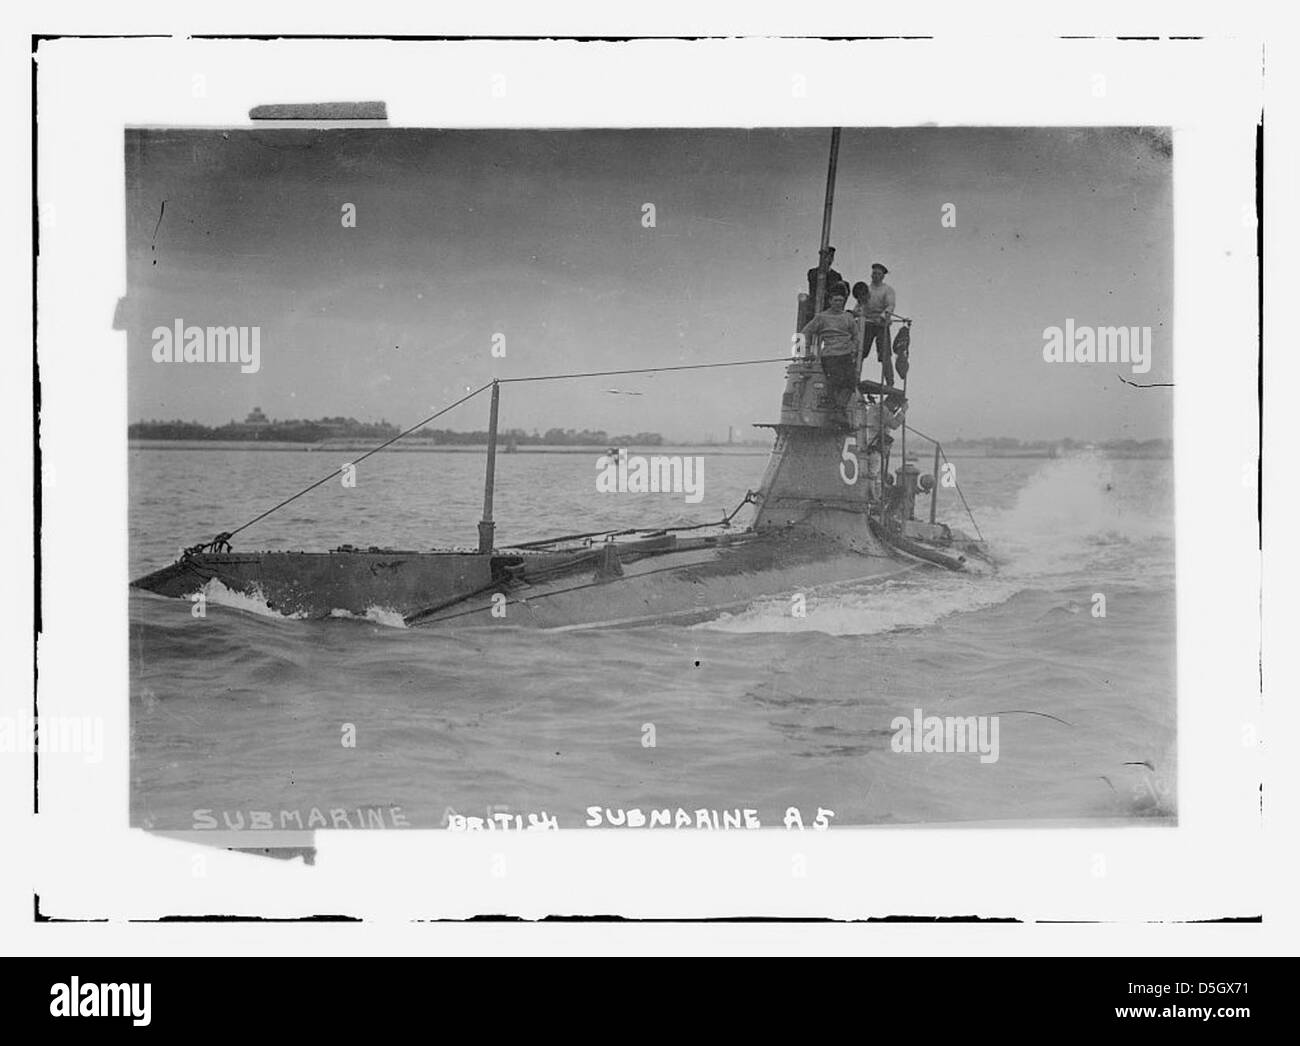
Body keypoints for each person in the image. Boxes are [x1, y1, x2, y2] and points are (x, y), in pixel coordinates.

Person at [800, 285, 860, 401]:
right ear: (830, 301)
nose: (838, 303)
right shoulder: (822, 317)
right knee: (834, 384)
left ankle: (839, 410)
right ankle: (835, 412)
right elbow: (804, 333)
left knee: (851, 383)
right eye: (836, 300)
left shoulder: (848, 317)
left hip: (846, 355)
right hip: (830, 355)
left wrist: (853, 348)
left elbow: (856, 335)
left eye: (841, 301)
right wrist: (806, 351)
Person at [860, 391, 906, 501]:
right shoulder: (882, 409)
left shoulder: (878, 408)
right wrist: (902, 412)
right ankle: (874, 498)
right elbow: (894, 424)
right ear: (892, 402)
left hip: (875, 446)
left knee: (877, 475)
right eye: (895, 405)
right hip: (875, 446)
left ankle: (876, 497)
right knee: (874, 474)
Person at [858, 263, 897, 387]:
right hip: (867, 323)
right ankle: (855, 377)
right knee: (860, 351)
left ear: (883, 276)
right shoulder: (866, 289)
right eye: (874, 273)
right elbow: (860, 304)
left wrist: (882, 317)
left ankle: (890, 382)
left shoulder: (887, 290)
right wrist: (857, 314)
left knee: (885, 353)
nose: (875, 276)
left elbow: (890, 305)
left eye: (878, 274)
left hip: (881, 325)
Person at [802, 246, 845, 325]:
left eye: (831, 256)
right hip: (813, 310)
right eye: (827, 256)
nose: (829, 259)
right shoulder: (813, 273)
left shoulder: (836, 276)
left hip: (828, 310)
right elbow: (815, 288)